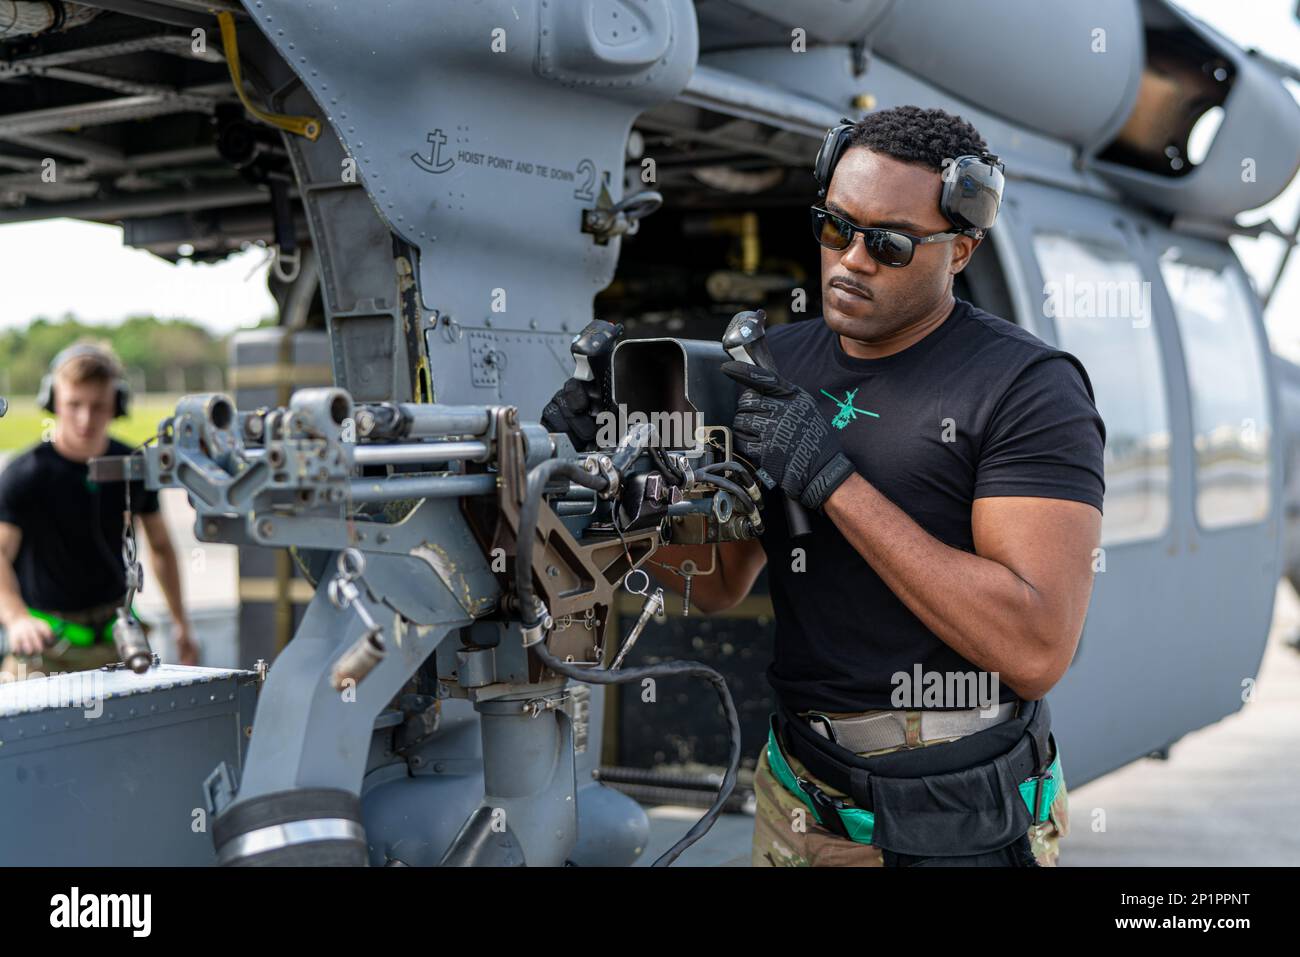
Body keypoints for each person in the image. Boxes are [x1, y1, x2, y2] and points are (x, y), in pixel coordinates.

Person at [543, 106, 1105, 866]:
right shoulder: (778, 366)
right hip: (804, 792)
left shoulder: (1026, 387)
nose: (851, 260)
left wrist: (831, 479)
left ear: (961, 250)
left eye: (890, 243)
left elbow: (1035, 647)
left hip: (958, 808)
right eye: (835, 227)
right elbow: (716, 584)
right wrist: (608, 490)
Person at [0, 341, 198, 677]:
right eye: (73, 404)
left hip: (119, 643)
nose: (85, 418)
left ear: (117, 405)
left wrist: (181, 623)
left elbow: (161, 547)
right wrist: (17, 618)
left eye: (98, 405)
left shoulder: (133, 466)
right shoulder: (25, 474)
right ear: (52, 402)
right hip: (45, 648)